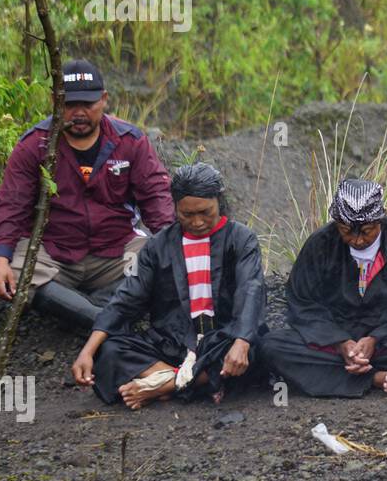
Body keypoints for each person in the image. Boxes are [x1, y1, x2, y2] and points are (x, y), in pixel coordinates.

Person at [0, 59, 174, 330]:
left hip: (115, 251)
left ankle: (82, 309)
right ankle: (100, 318)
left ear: (104, 100)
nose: (79, 112)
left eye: (88, 104)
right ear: (55, 100)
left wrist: (171, 241)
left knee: (160, 259)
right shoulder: (34, 144)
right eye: (70, 104)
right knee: (13, 270)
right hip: (54, 253)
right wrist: (0, 258)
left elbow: (156, 195)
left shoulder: (130, 140)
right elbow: (11, 205)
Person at [70, 163, 267, 409]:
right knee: (108, 348)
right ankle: (190, 382)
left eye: (205, 212)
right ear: (175, 207)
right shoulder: (158, 246)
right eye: (186, 214)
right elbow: (127, 298)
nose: (196, 222)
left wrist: (241, 342)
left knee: (256, 348)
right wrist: (87, 350)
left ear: (220, 201)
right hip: (172, 343)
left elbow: (250, 291)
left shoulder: (241, 239)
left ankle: (163, 386)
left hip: (221, 340)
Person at [262, 179, 387, 397]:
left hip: (386, 340)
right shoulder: (319, 244)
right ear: (337, 223)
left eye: (367, 231)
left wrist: (376, 338)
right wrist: (341, 342)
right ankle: (376, 378)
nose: (357, 240)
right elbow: (301, 302)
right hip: (334, 339)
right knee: (271, 346)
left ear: (380, 220)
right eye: (346, 231)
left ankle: (337, 374)